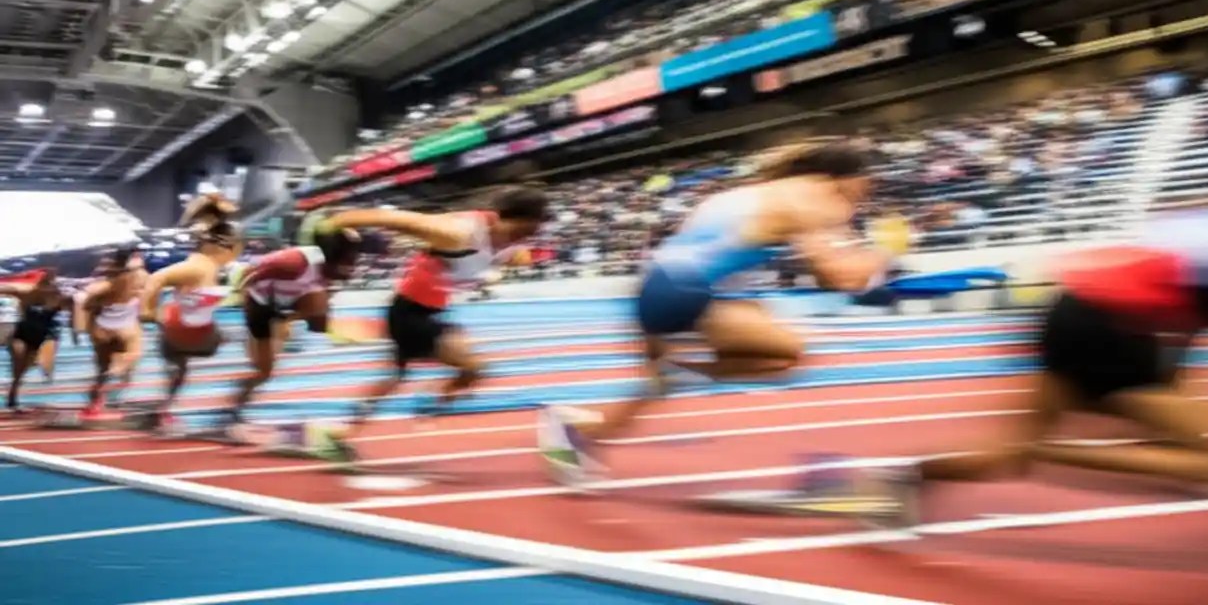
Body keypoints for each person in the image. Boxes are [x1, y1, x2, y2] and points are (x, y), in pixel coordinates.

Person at [861, 205, 1208, 529]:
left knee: (1004, 457)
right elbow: (1188, 326)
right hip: (1112, 326)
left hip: (1076, 308)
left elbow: (1184, 313)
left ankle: (905, 474)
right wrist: (1163, 400)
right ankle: (1044, 451)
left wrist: (1165, 399)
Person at [540, 139, 896, 480]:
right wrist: (885, 251)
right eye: (867, 185)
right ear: (848, 179)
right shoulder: (817, 202)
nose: (866, 194)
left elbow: (699, 246)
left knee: (654, 390)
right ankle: (680, 371)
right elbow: (841, 277)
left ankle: (573, 426)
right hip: (684, 291)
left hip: (657, 283)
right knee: (788, 356)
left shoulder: (756, 191)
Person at [319, 184, 549, 451]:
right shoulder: (459, 231)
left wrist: (513, 261)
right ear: (502, 217)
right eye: (519, 231)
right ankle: (428, 403)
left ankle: (341, 432)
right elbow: (391, 219)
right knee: (472, 368)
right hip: (409, 312)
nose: (519, 239)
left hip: (428, 310)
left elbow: (517, 256)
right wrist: (331, 224)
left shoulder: (513, 246)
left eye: (529, 234)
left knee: (393, 378)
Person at [228, 225, 361, 425]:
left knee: (320, 308)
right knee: (264, 372)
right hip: (260, 304)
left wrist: (290, 319)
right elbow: (249, 272)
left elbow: (320, 305)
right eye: (347, 263)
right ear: (333, 256)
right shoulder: (295, 262)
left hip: (284, 305)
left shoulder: (332, 274)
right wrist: (240, 297)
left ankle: (283, 324)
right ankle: (234, 409)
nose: (351, 268)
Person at [139, 194, 242, 427]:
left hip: (178, 328)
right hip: (190, 331)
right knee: (234, 338)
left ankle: (165, 407)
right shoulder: (200, 265)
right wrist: (147, 311)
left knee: (179, 367)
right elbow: (156, 278)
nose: (237, 254)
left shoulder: (207, 264)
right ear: (221, 247)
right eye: (235, 249)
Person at [78, 247, 146, 415]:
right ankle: (115, 381)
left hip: (103, 326)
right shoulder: (141, 277)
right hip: (125, 326)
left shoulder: (107, 278)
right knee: (132, 356)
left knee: (102, 366)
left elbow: (85, 301)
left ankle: (97, 398)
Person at [2, 269, 77, 411]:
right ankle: (12, 397)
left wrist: (74, 331)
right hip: (20, 335)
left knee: (23, 370)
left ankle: (14, 395)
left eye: (50, 286)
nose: (46, 290)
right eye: (44, 285)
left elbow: (75, 307)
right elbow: (7, 289)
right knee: (19, 358)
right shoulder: (27, 294)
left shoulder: (58, 299)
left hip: (40, 338)